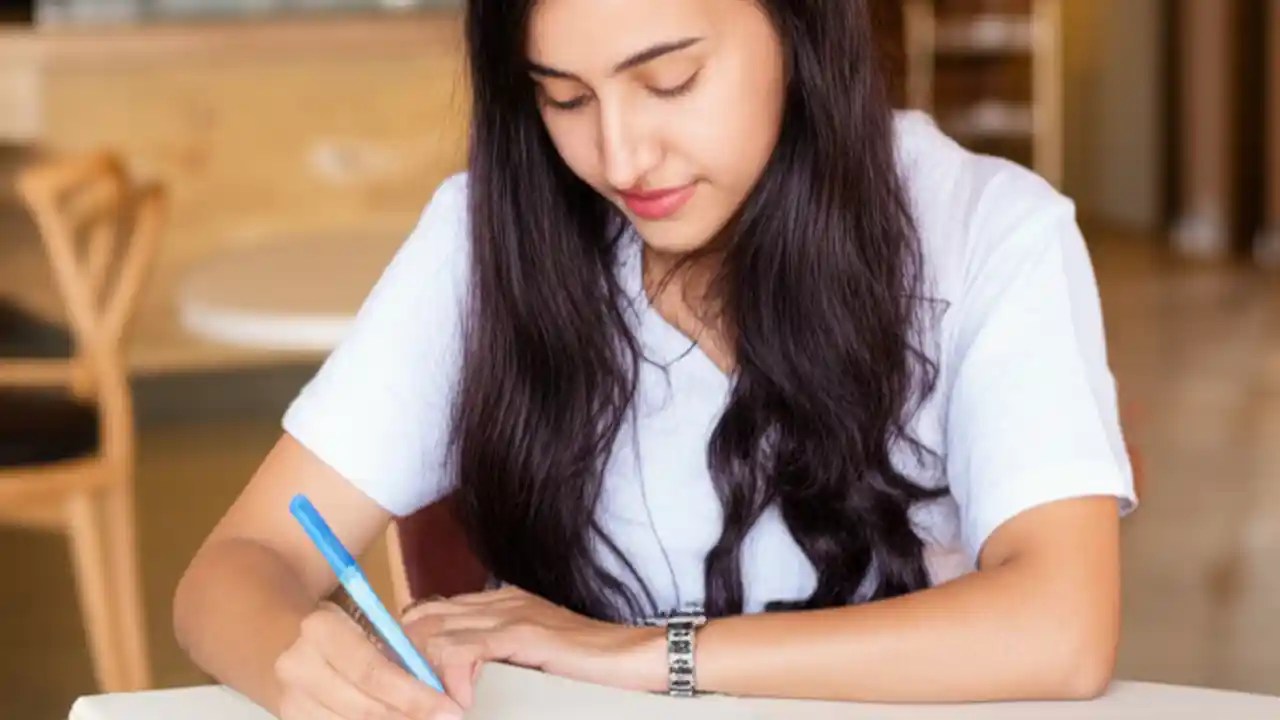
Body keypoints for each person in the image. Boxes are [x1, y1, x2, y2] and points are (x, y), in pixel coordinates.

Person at [173, 1, 1137, 717]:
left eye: (670, 81)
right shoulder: (486, 242)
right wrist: (299, 661)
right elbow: (235, 567)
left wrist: (643, 655)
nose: (621, 156)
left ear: (800, 29)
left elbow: (1061, 628)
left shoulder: (989, 235)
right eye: (564, 97)